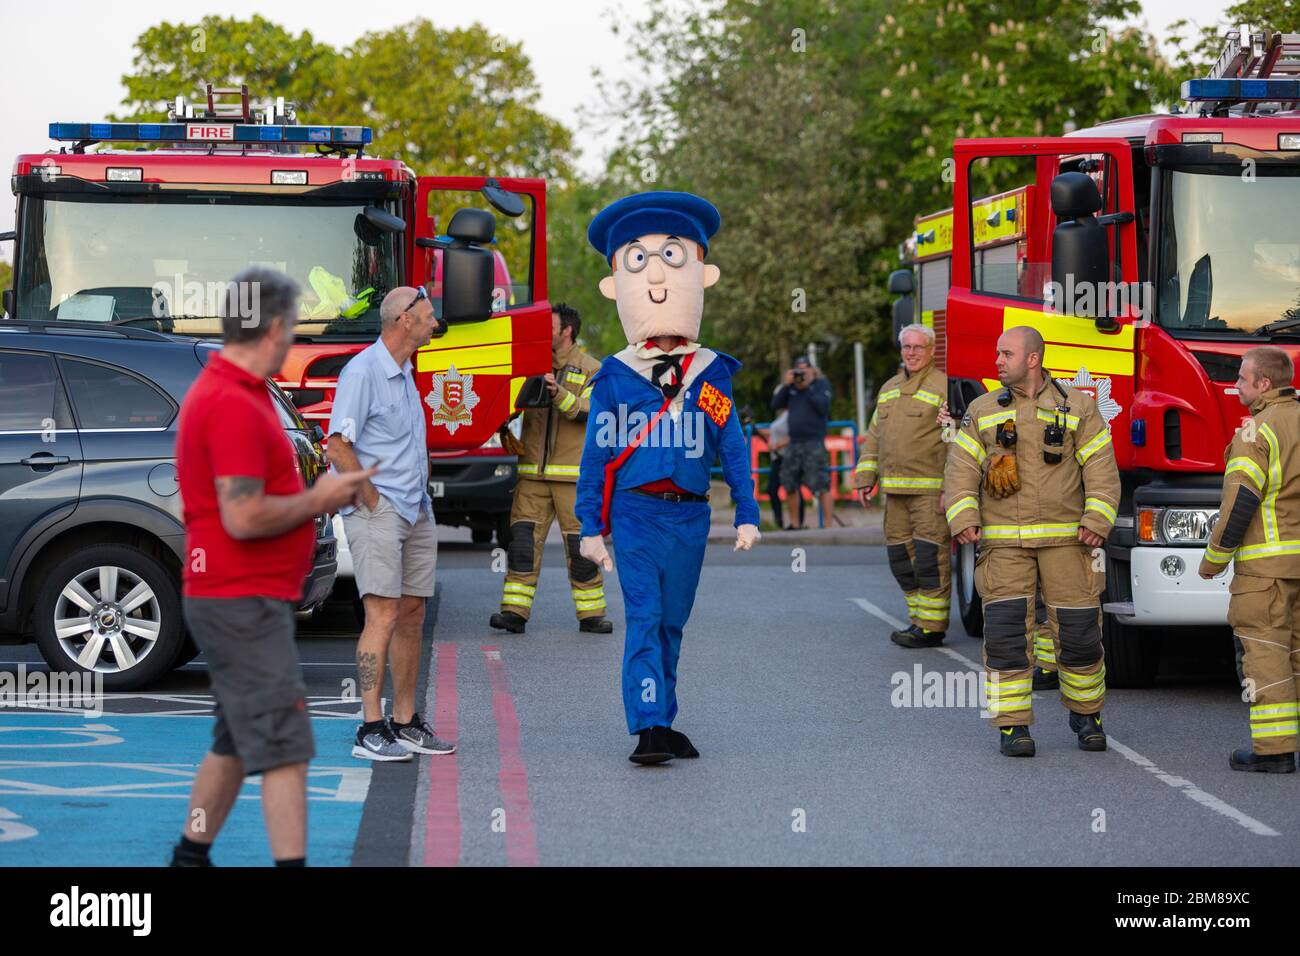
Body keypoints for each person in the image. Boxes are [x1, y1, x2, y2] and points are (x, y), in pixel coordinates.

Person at [171, 267, 374, 866]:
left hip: (236, 596)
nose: (294, 339)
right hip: (242, 600)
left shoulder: (236, 389)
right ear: (275, 327)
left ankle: (189, 857)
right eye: (293, 327)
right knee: (286, 749)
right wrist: (321, 498)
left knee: (235, 740)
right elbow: (242, 515)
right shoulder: (232, 401)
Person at [576, 190, 761, 764]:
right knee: (645, 618)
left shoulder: (710, 373)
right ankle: (648, 725)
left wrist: (748, 512)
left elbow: (731, 444)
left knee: (673, 623)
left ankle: (665, 718)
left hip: (690, 515)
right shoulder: (616, 376)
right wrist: (590, 526)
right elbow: (596, 455)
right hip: (636, 514)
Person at [944, 326, 1120, 758]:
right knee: (1005, 636)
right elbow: (960, 468)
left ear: (1033, 359)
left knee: (1080, 634)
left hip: (1068, 543)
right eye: (997, 353)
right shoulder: (982, 409)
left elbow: (1101, 467)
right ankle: (1013, 725)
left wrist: (1098, 518)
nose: (997, 361)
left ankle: (1088, 716)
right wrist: (963, 517)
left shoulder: (1078, 407)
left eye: (1006, 354)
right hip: (1003, 546)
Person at [328, 286, 455, 762]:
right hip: (380, 513)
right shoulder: (363, 371)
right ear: (404, 319)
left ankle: (405, 721)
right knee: (381, 615)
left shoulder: (405, 371)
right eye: (428, 314)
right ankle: (369, 727)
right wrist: (373, 501)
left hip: (415, 509)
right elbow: (337, 445)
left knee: (412, 614)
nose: (434, 321)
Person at [1199, 346, 1300, 773]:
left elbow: (1240, 502)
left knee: (1266, 655)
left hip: (1265, 572)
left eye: (1242, 378)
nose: (1235, 386)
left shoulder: (1256, 432)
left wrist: (1213, 560)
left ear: (1264, 383)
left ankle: (1274, 751)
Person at [490, 303, 612, 635]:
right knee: (522, 545)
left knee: (581, 549)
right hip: (532, 475)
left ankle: (592, 615)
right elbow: (509, 402)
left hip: (573, 479)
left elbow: (589, 410)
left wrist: (558, 394)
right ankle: (514, 612)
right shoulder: (531, 365)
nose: (542, 331)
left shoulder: (593, 369)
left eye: (549, 326)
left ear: (567, 331)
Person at [854, 323, 950, 646]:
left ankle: (932, 627)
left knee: (929, 559)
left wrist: (951, 488)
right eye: (906, 347)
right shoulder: (889, 388)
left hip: (930, 492)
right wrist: (865, 477)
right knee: (900, 559)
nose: (911, 353)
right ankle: (918, 619)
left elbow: (956, 440)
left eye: (918, 347)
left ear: (931, 350)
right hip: (894, 492)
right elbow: (874, 436)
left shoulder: (943, 387)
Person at [772, 355, 832, 529]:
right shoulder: (791, 388)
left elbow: (823, 407)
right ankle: (795, 524)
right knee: (789, 483)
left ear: (812, 370)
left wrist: (808, 387)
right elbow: (775, 404)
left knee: (821, 483)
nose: (802, 373)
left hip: (814, 441)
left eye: (805, 369)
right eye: (799, 370)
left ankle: (828, 526)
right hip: (794, 442)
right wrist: (786, 385)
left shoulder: (820, 385)